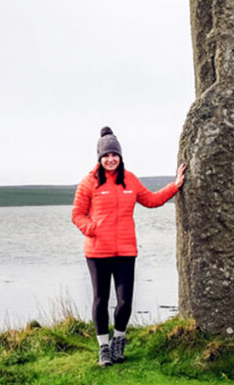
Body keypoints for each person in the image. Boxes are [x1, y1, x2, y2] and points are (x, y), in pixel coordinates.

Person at [71, 125, 185, 367]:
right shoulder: (88, 183)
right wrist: (93, 229)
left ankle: (118, 340)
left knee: (125, 302)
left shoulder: (130, 180)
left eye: (114, 155)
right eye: (106, 155)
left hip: (125, 251)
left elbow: (152, 200)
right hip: (97, 252)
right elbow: (77, 214)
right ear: (100, 158)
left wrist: (175, 186)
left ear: (120, 157)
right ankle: (103, 347)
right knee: (100, 299)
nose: (110, 159)